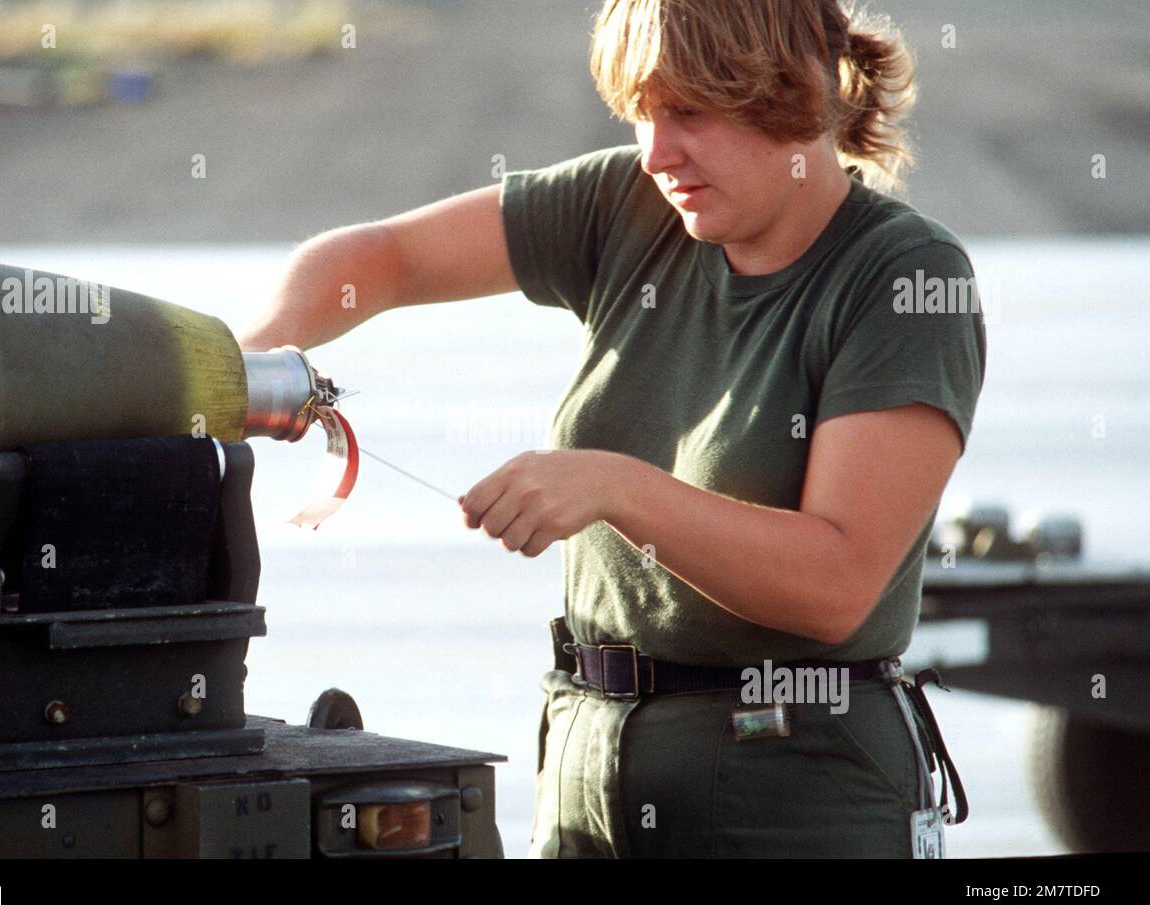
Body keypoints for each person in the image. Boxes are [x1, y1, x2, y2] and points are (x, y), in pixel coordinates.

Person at [239, 0, 984, 858]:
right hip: (586, 765)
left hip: (793, 792)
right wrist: (240, 369)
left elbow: (836, 582)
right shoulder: (630, 205)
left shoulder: (908, 278)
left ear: (794, 95)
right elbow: (376, 261)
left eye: (689, 113)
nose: (657, 153)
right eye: (640, 114)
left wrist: (614, 486)